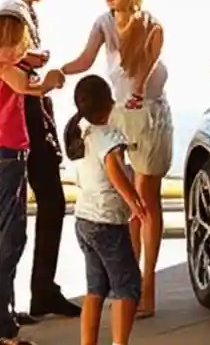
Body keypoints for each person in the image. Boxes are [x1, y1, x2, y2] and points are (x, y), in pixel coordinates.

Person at [61, 0, 172, 318]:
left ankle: (148, 290)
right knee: (132, 206)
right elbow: (85, 59)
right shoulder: (103, 23)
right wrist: (57, 72)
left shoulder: (150, 23)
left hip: (150, 115)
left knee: (147, 201)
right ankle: (131, 286)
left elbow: (147, 68)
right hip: (122, 116)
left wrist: (139, 88)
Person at [0, 12, 65, 345]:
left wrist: (31, 59)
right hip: (4, 160)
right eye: (21, 42)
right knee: (10, 240)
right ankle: (3, 325)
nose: (24, 48)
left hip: (4, 158)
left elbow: (20, 69)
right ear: (7, 40)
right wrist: (50, 78)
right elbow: (28, 86)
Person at [0, 0, 81, 320]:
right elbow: (1, 62)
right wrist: (40, 78)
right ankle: (23, 299)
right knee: (28, 212)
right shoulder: (11, 14)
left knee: (45, 207)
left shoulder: (25, 14)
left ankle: (36, 292)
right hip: (23, 124)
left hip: (32, 120)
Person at [64, 75, 148, 345]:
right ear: (109, 103)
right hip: (107, 222)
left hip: (85, 220)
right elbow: (114, 170)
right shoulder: (108, 136)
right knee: (129, 287)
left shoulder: (84, 133)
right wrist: (135, 201)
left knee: (95, 289)